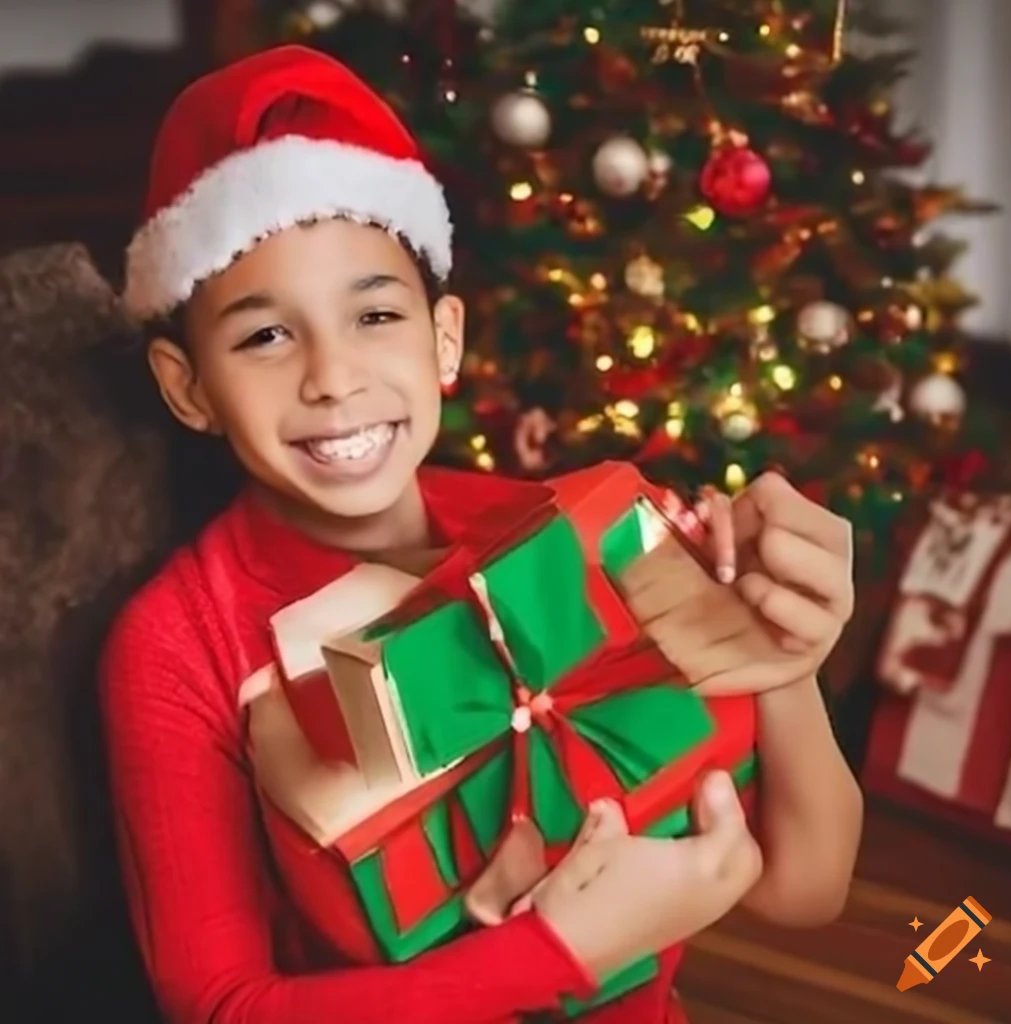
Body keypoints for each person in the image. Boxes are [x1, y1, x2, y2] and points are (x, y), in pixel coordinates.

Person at [100, 45, 863, 1024]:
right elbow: (219, 1006)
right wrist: (558, 952)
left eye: (374, 314)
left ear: (444, 338)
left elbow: (804, 888)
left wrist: (786, 663)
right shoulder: (178, 643)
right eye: (265, 335)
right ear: (187, 385)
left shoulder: (568, 539)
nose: (333, 377)